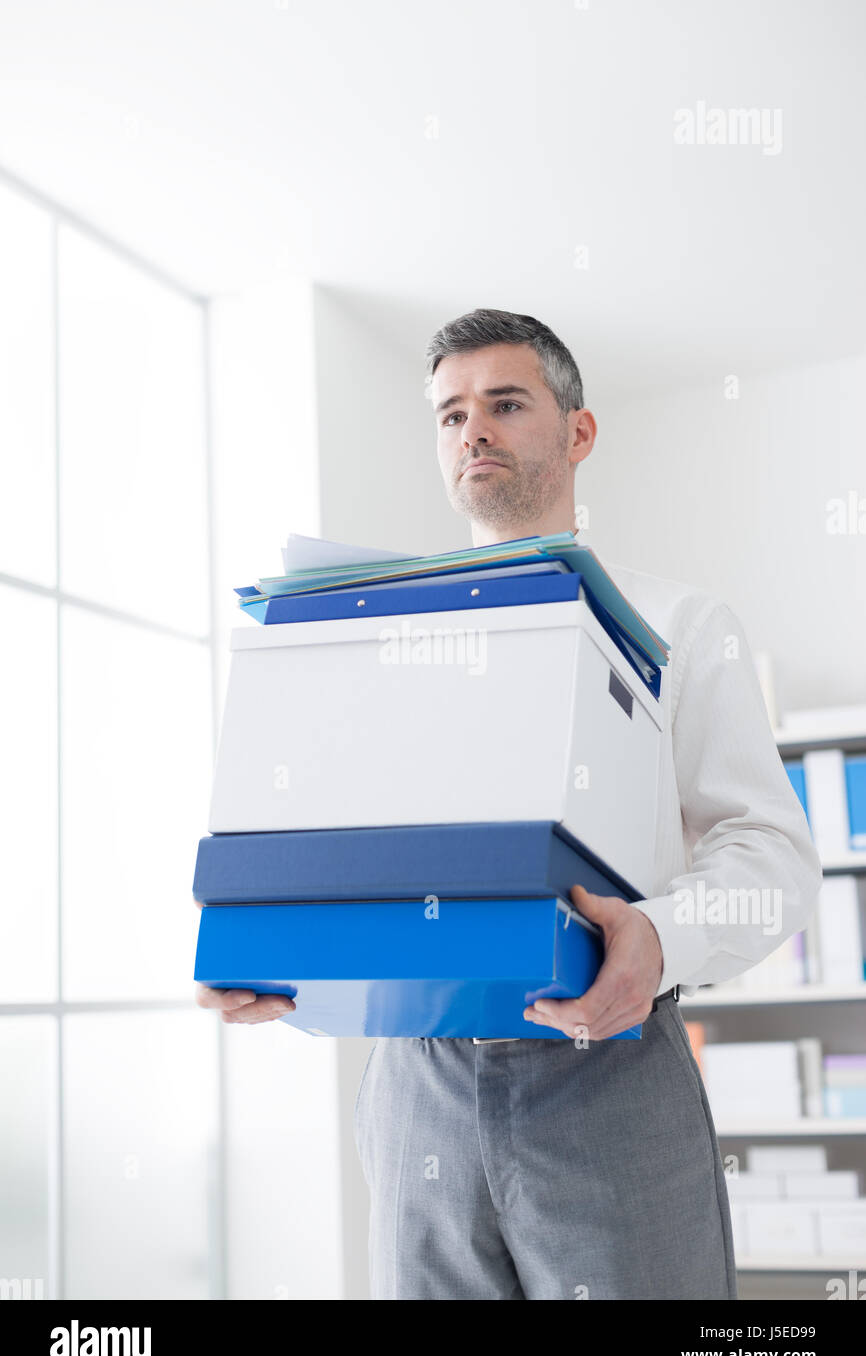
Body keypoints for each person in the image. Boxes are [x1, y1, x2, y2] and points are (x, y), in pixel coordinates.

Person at [196, 307, 823, 1300]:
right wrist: (280, 954)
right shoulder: (370, 634)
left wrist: (654, 941)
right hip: (416, 1079)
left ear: (576, 432)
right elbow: (349, 836)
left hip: (607, 1068)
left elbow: (771, 851)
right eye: (448, 415)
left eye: (503, 403)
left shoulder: (679, 624)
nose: (471, 430)